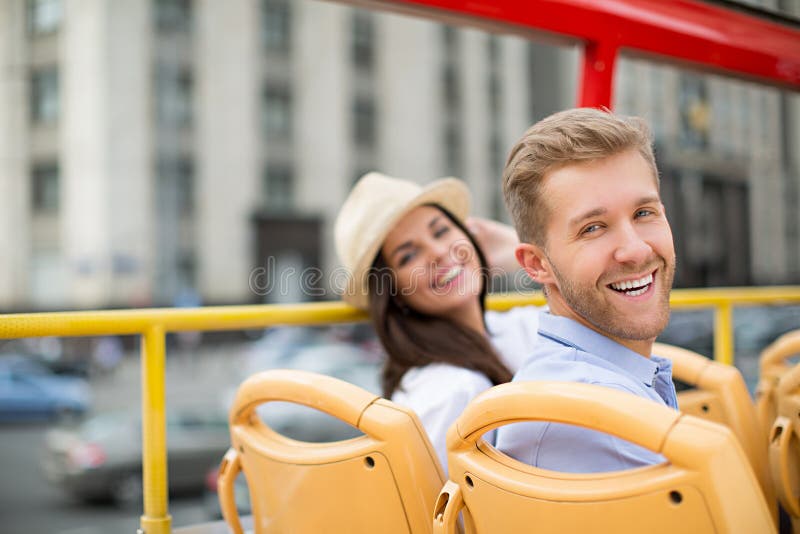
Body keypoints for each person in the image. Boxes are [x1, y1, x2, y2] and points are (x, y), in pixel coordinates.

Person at [495, 107, 679, 473]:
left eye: (644, 213)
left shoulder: (584, 380)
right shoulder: (602, 419)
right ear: (537, 264)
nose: (637, 249)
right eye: (593, 228)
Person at [334, 172, 541, 471]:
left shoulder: (512, 327)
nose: (439, 252)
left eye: (442, 231)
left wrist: (516, 248)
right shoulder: (450, 390)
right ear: (394, 294)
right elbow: (435, 515)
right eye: (408, 256)